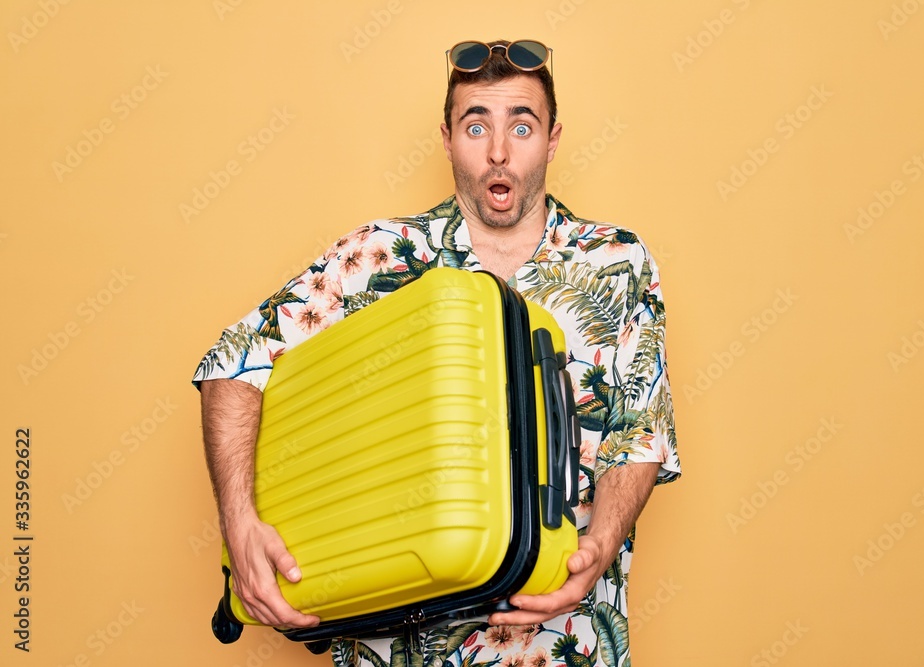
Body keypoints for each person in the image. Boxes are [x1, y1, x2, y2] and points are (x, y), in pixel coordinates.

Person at [193, 39, 681, 666]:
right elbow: (232, 364)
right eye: (476, 125)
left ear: (553, 139)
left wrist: (602, 546)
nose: (499, 151)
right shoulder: (376, 254)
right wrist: (239, 521)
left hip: (569, 643)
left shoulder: (617, 263)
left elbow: (640, 433)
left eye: (522, 126)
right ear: (447, 139)